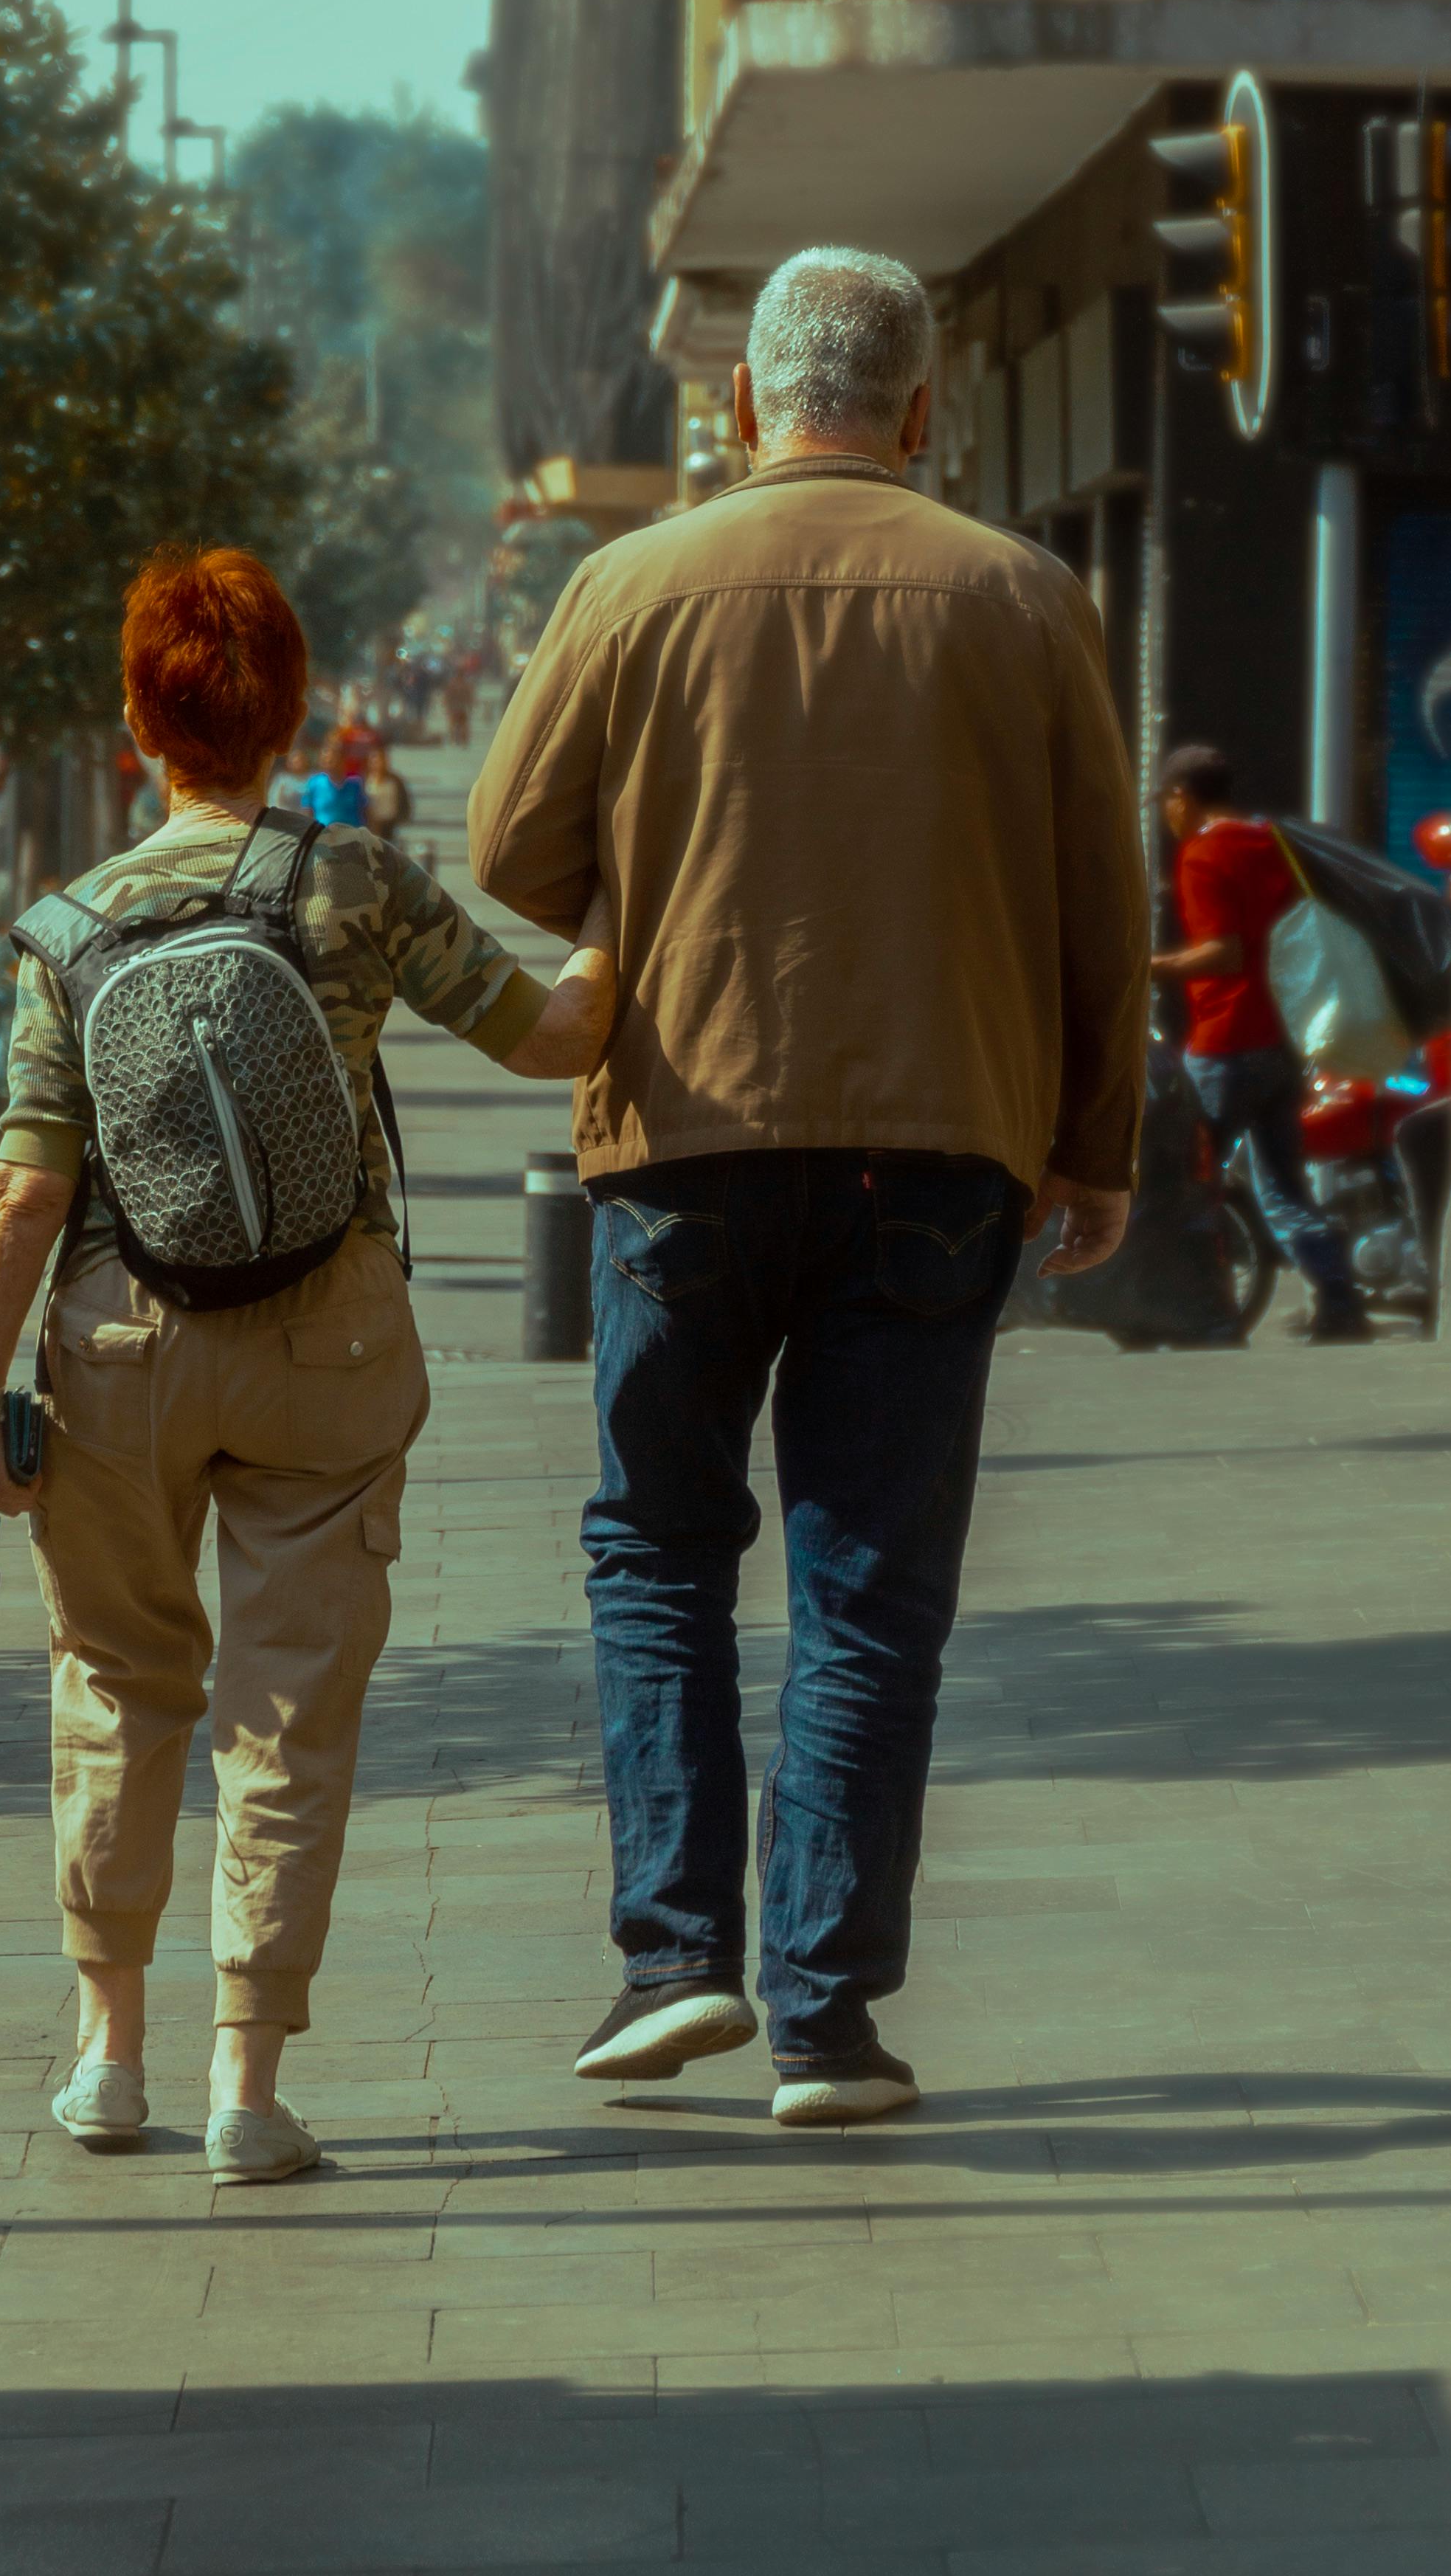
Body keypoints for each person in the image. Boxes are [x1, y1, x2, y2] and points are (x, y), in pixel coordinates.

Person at [468, 241, 1149, 2132]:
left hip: (680, 1140)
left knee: (657, 1545)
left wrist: (663, 855)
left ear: (743, 402)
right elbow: (1104, 908)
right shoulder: (1024, 597)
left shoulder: (629, 586)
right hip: (941, 1149)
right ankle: (826, 2022)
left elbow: (508, 849)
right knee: (871, 1590)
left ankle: (672, 1957)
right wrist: (1098, 1145)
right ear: (922, 409)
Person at [0, 541, 617, 2183]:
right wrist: (623, 904)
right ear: (295, 714)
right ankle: (248, 2086)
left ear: (137, 726)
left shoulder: (70, 928)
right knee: (289, 1705)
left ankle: (109, 2057)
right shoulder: (357, 882)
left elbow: (24, 1186)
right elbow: (553, 1038)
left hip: (121, 1346)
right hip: (329, 1339)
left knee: (117, 1681)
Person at [1150, 742, 1369, 1343]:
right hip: (1279, 1043)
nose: (1166, 816)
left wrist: (1146, 967)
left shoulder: (1203, 854)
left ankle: (1204, 1315)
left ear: (1182, 797)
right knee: (1283, 1190)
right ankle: (1341, 1303)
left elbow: (1224, 953)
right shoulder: (1271, 842)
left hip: (1224, 1046)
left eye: (1166, 802)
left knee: (1188, 1188)